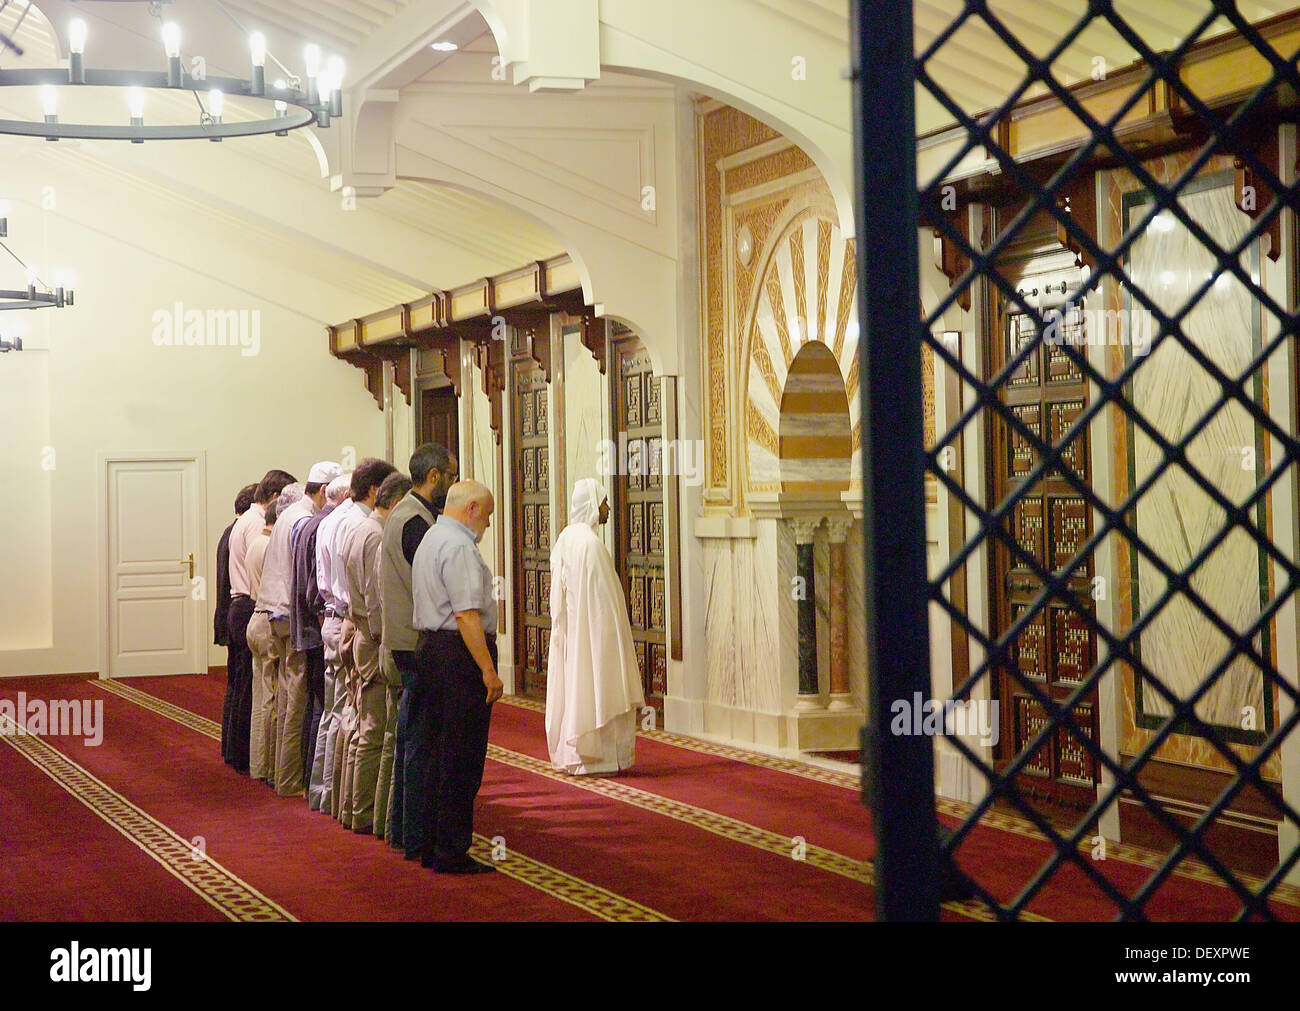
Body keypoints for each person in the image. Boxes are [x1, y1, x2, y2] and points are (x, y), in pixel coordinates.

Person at [411, 480, 503, 874]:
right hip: (458, 657)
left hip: (430, 650)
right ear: (471, 509)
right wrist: (488, 671)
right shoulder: (461, 546)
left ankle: (430, 843)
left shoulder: (432, 537)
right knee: (461, 756)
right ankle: (451, 849)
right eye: (487, 514)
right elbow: (467, 615)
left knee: (433, 751)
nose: (487, 523)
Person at [382, 443, 457, 854]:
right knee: (421, 742)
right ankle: (418, 836)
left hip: (407, 640)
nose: (453, 484)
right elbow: (430, 581)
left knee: (413, 738)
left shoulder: (411, 514)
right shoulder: (414, 521)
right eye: (450, 475)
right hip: (415, 643)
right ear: (433, 477)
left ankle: (407, 832)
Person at [546, 479, 644, 775]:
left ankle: (577, 756)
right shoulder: (590, 544)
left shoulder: (567, 537)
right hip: (593, 636)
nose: (608, 508)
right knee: (597, 690)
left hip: (574, 634)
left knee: (578, 689)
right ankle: (597, 759)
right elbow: (604, 603)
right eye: (603, 502)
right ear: (592, 505)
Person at [259, 461, 340, 796]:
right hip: (290, 617)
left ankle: (275, 771)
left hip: (274, 613)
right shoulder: (305, 519)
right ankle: (290, 780)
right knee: (297, 701)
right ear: (323, 491)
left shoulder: (288, 515)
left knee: (282, 699)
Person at [338, 462, 402, 833]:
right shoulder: (376, 535)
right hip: (371, 636)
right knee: (374, 730)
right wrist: (384, 640)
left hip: (360, 632)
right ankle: (364, 814)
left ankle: (353, 808)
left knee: (362, 726)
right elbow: (377, 599)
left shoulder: (360, 527)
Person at [225, 469, 296, 773]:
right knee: (267, 695)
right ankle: (264, 765)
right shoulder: (259, 530)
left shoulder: (246, 526)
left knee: (254, 692)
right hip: (259, 612)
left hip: (247, 611)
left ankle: (252, 760)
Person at [295, 474, 349, 799]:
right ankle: (330, 792)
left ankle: (319, 788)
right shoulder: (330, 524)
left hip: (323, 621)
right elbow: (314, 586)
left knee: (326, 708)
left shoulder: (319, 523)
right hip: (333, 622)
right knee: (333, 710)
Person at [369, 471, 413, 842]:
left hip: (378, 640)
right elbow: (377, 598)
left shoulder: (368, 529)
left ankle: (382, 821)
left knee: (384, 735)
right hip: (386, 643)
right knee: (392, 738)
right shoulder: (376, 534)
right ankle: (392, 825)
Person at [311, 473, 354, 814]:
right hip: (345, 619)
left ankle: (324, 792)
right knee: (344, 713)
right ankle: (337, 798)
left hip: (330, 617)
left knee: (332, 712)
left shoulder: (329, 521)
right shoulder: (351, 522)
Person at [245, 495, 286, 784]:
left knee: (261, 698)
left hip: (253, 619)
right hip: (267, 621)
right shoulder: (271, 544)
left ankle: (257, 764)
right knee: (271, 698)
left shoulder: (255, 542)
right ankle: (270, 768)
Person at [214, 483, 257, 659]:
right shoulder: (242, 530)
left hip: (228, 609)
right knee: (242, 669)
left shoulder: (229, 530)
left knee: (236, 667)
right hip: (239, 607)